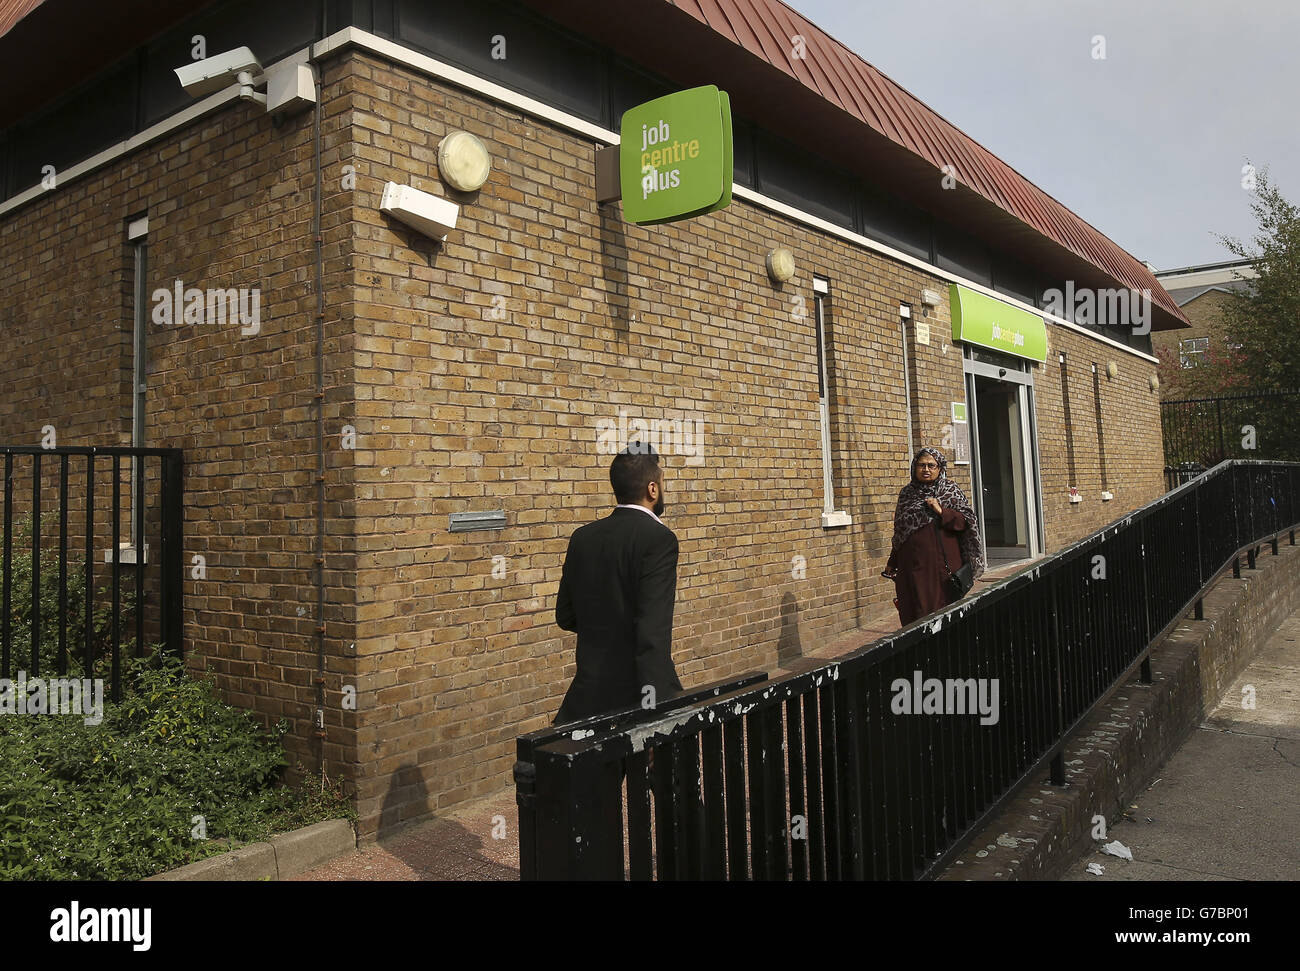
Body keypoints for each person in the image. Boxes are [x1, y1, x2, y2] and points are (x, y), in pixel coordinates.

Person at [553, 443, 683, 724]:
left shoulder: (582, 538)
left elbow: (565, 616)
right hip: (635, 700)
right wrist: (653, 714)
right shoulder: (659, 540)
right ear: (652, 489)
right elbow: (652, 637)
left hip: (586, 702)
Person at [881, 446, 985, 626]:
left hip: (939, 571)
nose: (926, 470)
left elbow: (965, 522)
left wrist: (941, 511)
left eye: (931, 465)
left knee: (938, 615)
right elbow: (900, 533)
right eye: (921, 465)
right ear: (914, 468)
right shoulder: (907, 494)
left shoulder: (949, 490)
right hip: (910, 568)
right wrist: (893, 561)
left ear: (940, 468)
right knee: (911, 614)